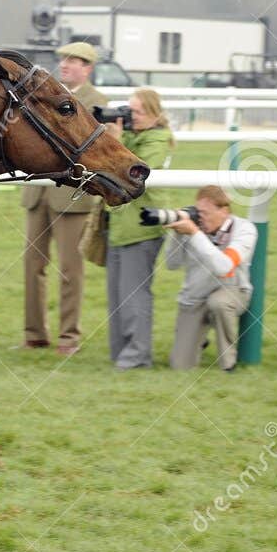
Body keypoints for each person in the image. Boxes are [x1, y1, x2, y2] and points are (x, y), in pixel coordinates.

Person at [19, 40, 105, 355]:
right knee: (32, 265)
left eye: (74, 60)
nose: (66, 64)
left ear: (88, 68)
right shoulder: (45, 96)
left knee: (70, 270)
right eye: (64, 59)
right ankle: (34, 334)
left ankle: (69, 337)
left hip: (72, 198)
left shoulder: (96, 102)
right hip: (37, 193)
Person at [103, 88, 173, 370]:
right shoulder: (133, 135)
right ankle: (121, 353)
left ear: (155, 114)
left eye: (137, 112)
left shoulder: (158, 138)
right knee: (117, 297)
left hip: (142, 227)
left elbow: (137, 172)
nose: (130, 117)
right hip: (120, 226)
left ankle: (138, 356)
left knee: (135, 296)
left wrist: (117, 141)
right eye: (128, 110)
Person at [164, 185, 256, 372]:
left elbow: (224, 267)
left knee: (219, 303)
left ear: (224, 211)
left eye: (205, 213)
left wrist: (195, 234)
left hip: (232, 292)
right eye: (198, 212)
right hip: (195, 297)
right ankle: (200, 338)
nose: (199, 217)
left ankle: (228, 363)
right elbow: (171, 264)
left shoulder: (244, 229)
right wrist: (176, 234)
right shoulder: (194, 227)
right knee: (180, 366)